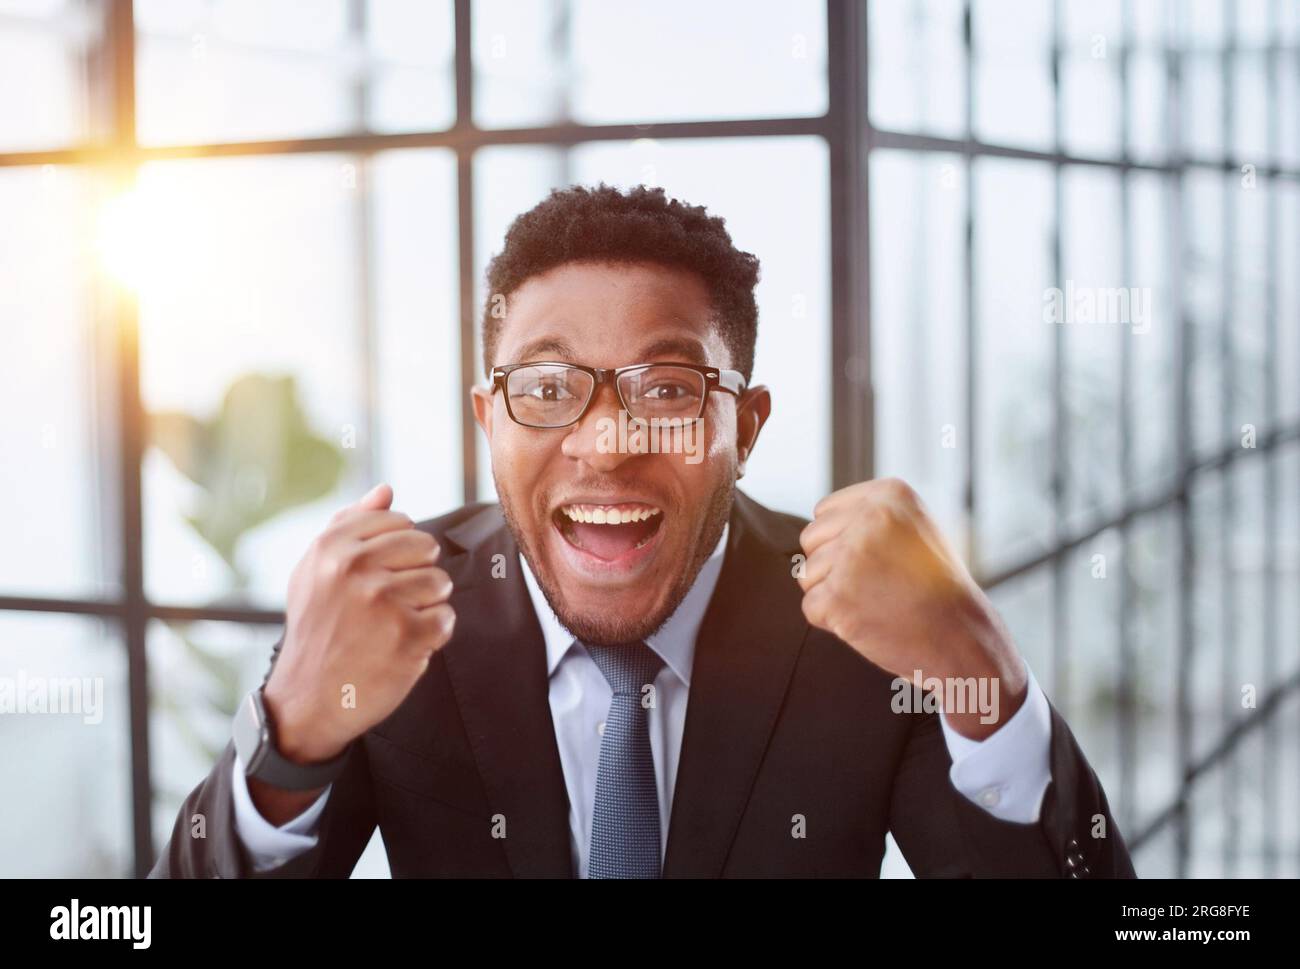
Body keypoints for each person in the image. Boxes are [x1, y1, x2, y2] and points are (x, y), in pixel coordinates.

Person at [152, 184, 1134, 878]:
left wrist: (984, 675)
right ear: (488, 422)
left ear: (744, 427)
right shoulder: (388, 620)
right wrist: (291, 737)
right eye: (545, 388)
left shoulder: (864, 630)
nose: (605, 443)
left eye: (666, 388)